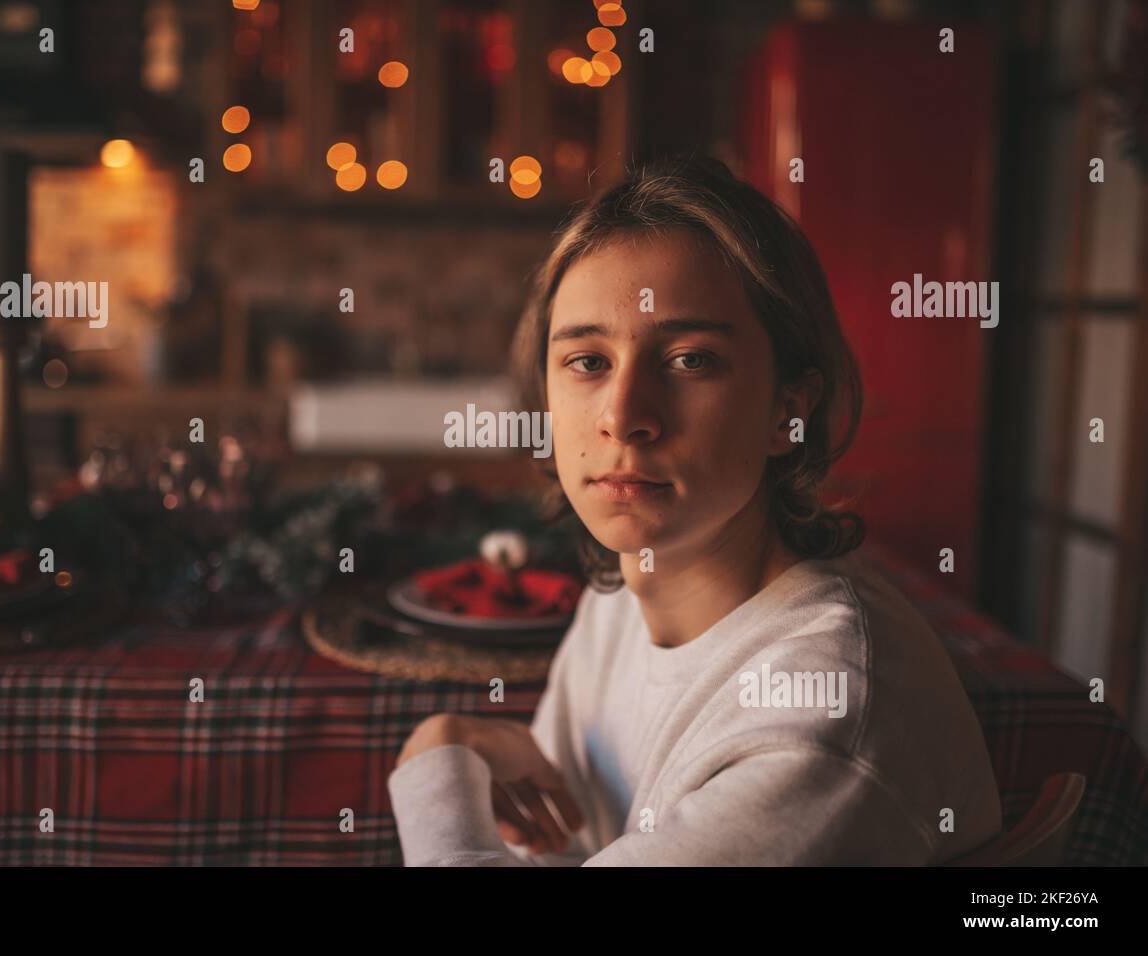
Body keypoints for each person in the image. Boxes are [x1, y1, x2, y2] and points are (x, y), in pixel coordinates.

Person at [388, 155, 1002, 866]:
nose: (622, 417)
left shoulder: (823, 716)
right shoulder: (619, 597)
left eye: (689, 360)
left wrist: (434, 756)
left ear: (787, 411)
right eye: (588, 362)